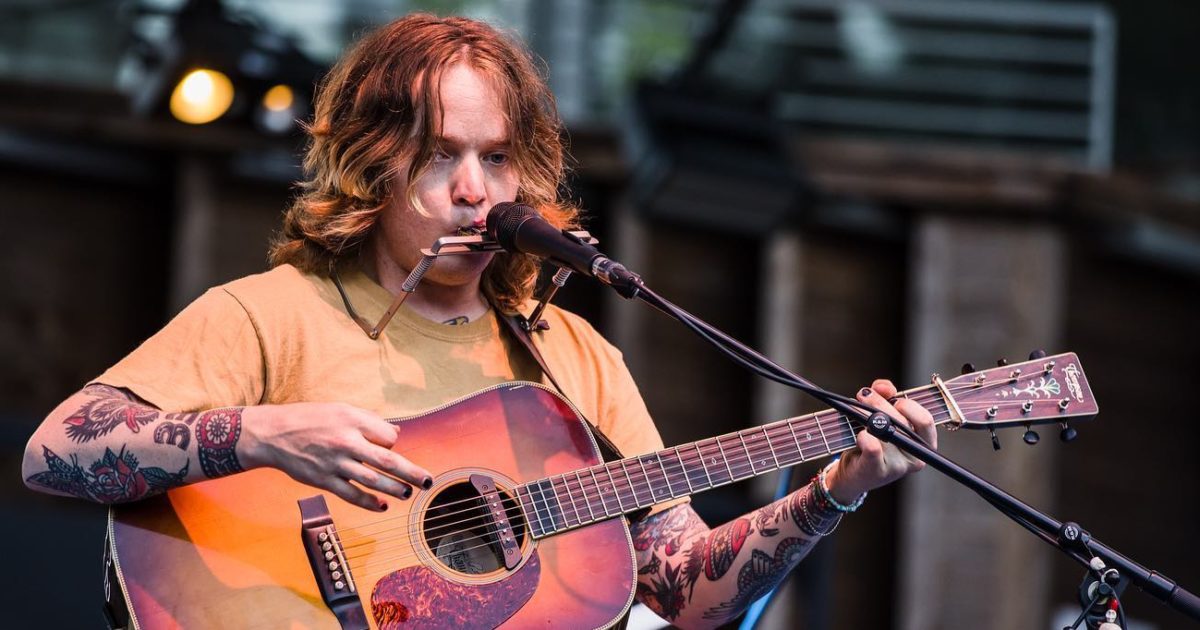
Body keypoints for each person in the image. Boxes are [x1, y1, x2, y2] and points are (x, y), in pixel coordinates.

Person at [21, 13, 936, 628]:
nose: (473, 191)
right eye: (438, 156)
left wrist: (836, 490)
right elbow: (56, 451)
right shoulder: (271, 314)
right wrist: (260, 435)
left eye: (497, 159)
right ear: (372, 165)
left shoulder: (575, 357)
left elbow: (683, 591)